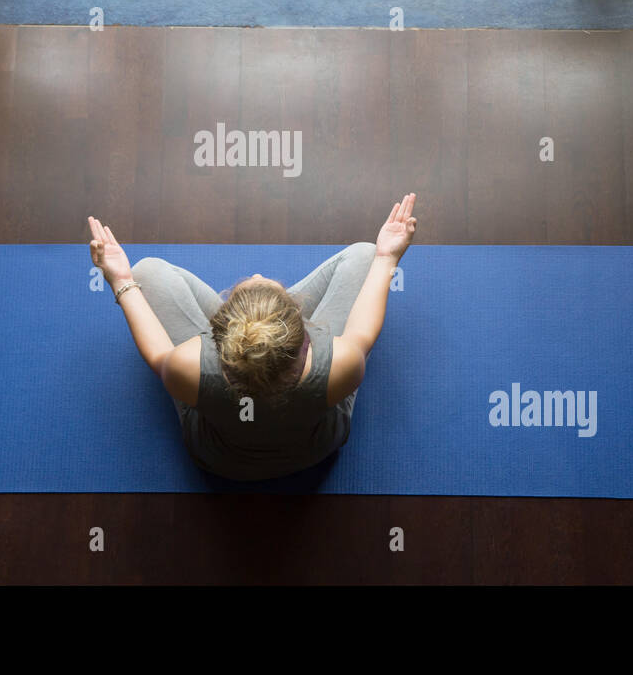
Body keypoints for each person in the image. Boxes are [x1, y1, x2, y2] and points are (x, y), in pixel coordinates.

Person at [86, 194, 417, 481]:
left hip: (220, 460)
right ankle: (268, 321)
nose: (258, 273)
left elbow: (158, 355)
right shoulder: (342, 363)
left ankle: (253, 319)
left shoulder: (187, 366)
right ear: (301, 323)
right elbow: (362, 333)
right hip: (316, 449)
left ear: (219, 329)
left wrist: (120, 279)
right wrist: (387, 257)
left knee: (146, 274)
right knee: (365, 256)